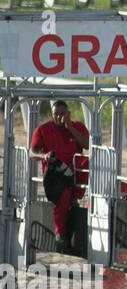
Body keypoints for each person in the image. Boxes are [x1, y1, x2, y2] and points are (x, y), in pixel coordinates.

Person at [29, 100, 90, 254]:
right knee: (62, 198)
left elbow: (87, 144)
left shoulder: (77, 126)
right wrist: (45, 155)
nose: (59, 117)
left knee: (87, 164)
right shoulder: (43, 129)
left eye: (62, 114)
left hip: (75, 172)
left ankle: (72, 207)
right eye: (56, 114)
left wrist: (69, 127)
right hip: (55, 174)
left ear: (68, 114)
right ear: (52, 114)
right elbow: (32, 152)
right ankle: (60, 235)